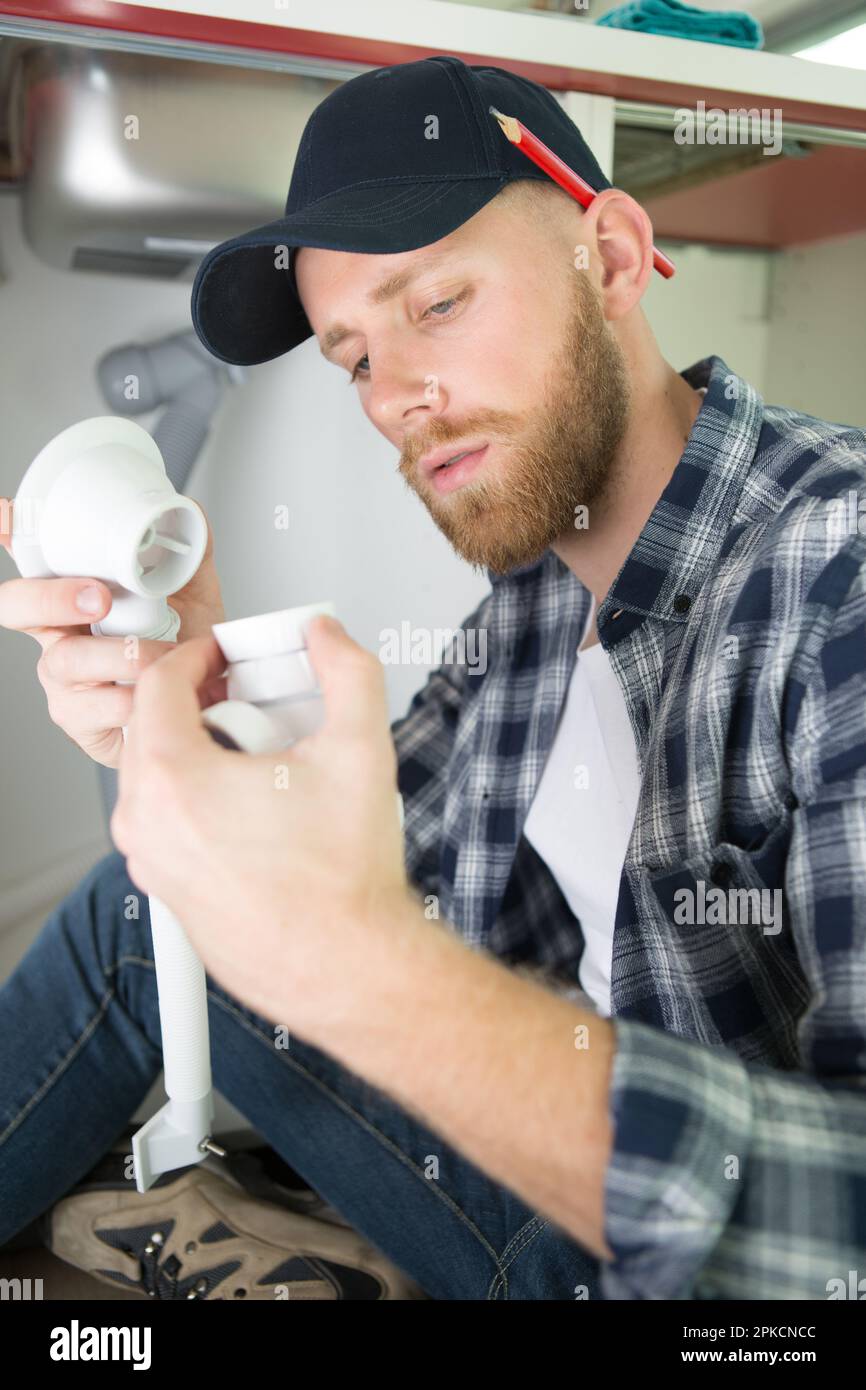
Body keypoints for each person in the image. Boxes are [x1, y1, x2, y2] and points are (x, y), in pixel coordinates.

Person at [1, 54, 864, 1302]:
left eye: (437, 305)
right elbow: (325, 888)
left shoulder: (835, 568)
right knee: (140, 907)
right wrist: (192, 703)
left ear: (612, 259)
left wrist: (370, 975)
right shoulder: (521, 614)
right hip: (516, 1203)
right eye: (352, 358)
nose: (395, 397)